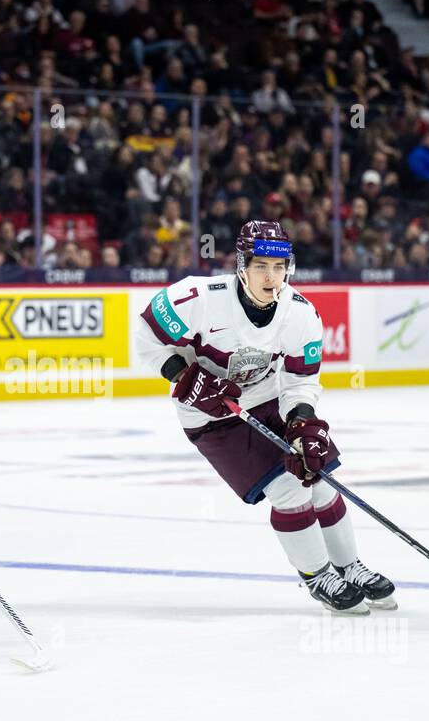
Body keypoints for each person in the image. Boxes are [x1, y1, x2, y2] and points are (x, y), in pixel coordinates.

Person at [133, 220, 394, 614]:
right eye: (261, 267)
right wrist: (181, 374)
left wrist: (303, 426)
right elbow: (145, 332)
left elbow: (300, 382)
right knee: (289, 488)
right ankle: (318, 575)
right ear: (242, 266)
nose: (271, 278)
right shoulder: (199, 298)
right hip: (211, 417)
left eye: (279, 267)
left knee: (318, 479)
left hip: (266, 398)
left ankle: (349, 566)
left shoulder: (301, 313)